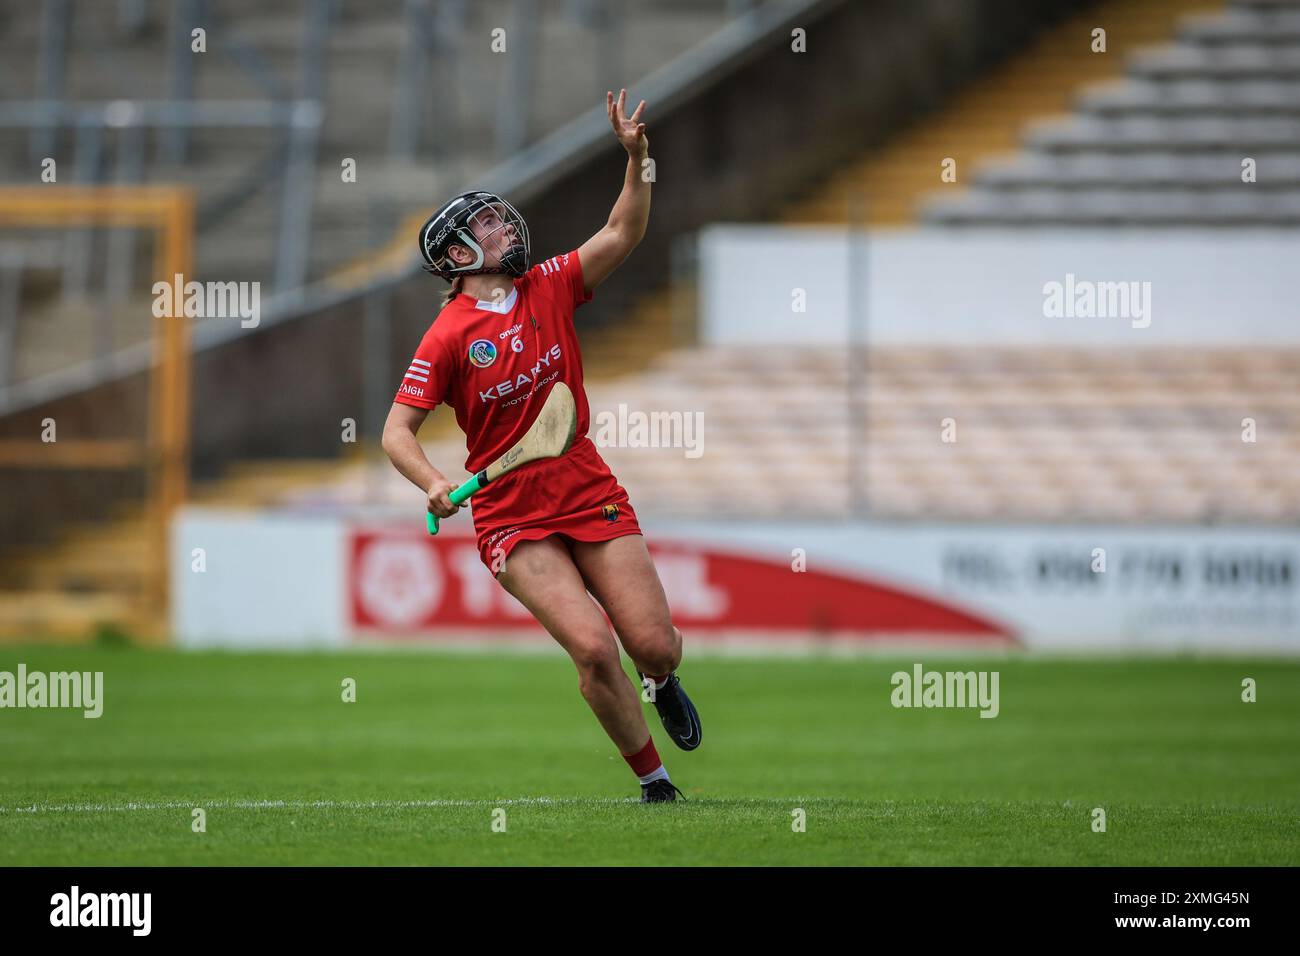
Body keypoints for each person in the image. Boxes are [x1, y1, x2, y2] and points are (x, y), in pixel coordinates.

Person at [382, 90, 701, 803]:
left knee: (652, 642)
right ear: (457, 254)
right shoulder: (447, 337)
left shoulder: (549, 285)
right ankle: (655, 783)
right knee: (592, 649)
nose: (503, 228)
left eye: (498, 216)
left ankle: (661, 680)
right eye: (486, 225)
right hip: (510, 512)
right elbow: (396, 432)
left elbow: (622, 231)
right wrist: (432, 481)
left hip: (586, 486)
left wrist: (638, 161)